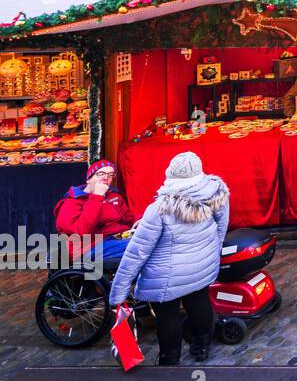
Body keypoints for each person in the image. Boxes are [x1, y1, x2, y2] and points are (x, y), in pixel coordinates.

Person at [108, 152, 230, 365]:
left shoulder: (159, 210)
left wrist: (117, 294)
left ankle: (169, 359)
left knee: (168, 316)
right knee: (199, 302)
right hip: (201, 266)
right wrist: (211, 253)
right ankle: (201, 348)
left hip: (167, 276)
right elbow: (221, 228)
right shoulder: (216, 194)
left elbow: (136, 254)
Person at [54, 160, 136, 262]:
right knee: (140, 246)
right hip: (88, 248)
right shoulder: (71, 203)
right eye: (100, 174)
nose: (106, 178)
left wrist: (141, 221)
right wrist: (97, 197)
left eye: (110, 175)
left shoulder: (114, 197)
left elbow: (129, 219)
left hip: (116, 238)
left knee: (152, 239)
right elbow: (82, 232)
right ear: (89, 179)